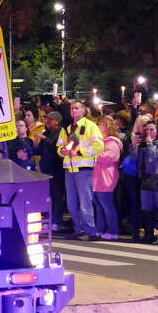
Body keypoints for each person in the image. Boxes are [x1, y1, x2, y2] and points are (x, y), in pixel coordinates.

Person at [59, 100, 104, 240]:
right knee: (71, 203)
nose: (73, 111)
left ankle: (90, 231)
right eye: (72, 108)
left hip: (84, 168)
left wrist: (79, 152)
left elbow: (99, 146)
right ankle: (78, 229)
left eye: (76, 108)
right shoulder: (66, 128)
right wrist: (62, 151)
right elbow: (59, 147)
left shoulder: (91, 126)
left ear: (84, 110)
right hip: (69, 169)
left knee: (85, 202)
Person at [135, 120, 158, 243]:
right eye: (147, 130)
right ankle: (148, 234)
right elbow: (136, 159)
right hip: (147, 177)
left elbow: (153, 158)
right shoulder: (144, 144)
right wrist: (135, 146)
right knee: (146, 206)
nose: (149, 132)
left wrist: (150, 144)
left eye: (152, 129)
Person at [92, 116, 124, 240]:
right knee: (99, 205)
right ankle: (100, 228)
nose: (97, 127)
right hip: (97, 177)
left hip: (106, 177)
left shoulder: (113, 142)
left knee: (107, 205)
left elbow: (106, 158)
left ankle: (113, 230)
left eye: (100, 125)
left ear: (107, 127)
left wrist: (92, 152)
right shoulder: (101, 141)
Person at [37, 110, 69, 230]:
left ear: (56, 121)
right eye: (47, 119)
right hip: (46, 168)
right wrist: (37, 143)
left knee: (57, 195)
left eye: (50, 119)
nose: (47, 121)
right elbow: (41, 149)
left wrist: (43, 138)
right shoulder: (47, 131)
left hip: (57, 169)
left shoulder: (61, 132)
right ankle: (47, 219)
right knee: (47, 195)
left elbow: (54, 145)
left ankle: (56, 221)